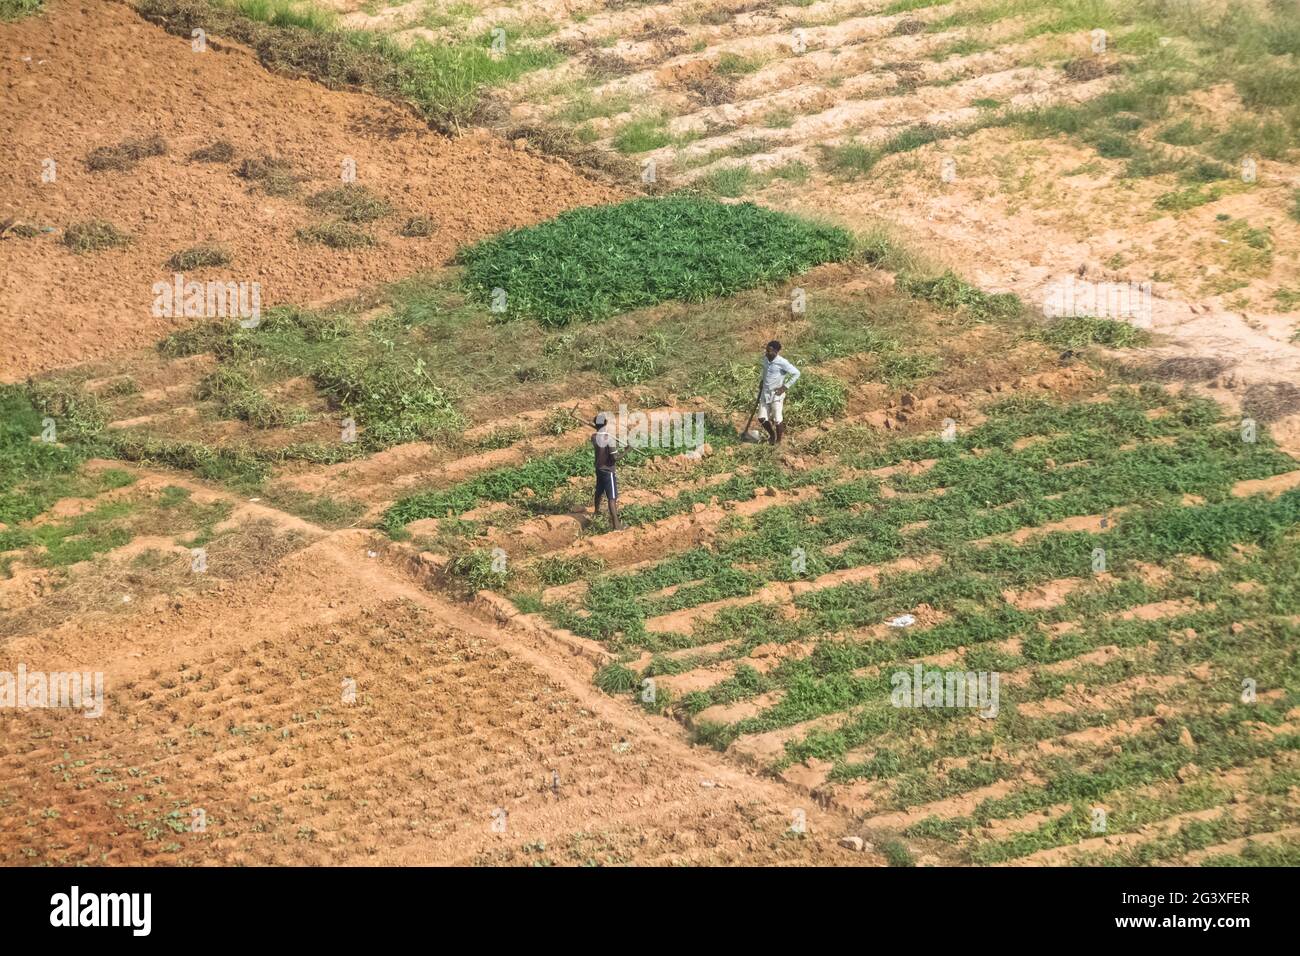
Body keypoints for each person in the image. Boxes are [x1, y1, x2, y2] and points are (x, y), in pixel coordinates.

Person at [757, 340, 800, 445]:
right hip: (765, 392)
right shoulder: (765, 359)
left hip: (776, 394)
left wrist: (784, 387)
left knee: (777, 419)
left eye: (770, 351)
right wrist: (762, 382)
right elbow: (765, 372)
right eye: (766, 350)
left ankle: (778, 441)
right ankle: (772, 435)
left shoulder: (782, 362)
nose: (767, 352)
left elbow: (796, 373)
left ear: (776, 351)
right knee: (761, 418)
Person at [591, 413, 621, 530]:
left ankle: (596, 511)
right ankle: (616, 525)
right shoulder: (609, 439)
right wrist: (628, 450)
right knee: (612, 498)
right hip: (608, 471)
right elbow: (615, 458)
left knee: (599, 490)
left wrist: (599, 429)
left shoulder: (594, 437)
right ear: (606, 424)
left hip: (599, 469)